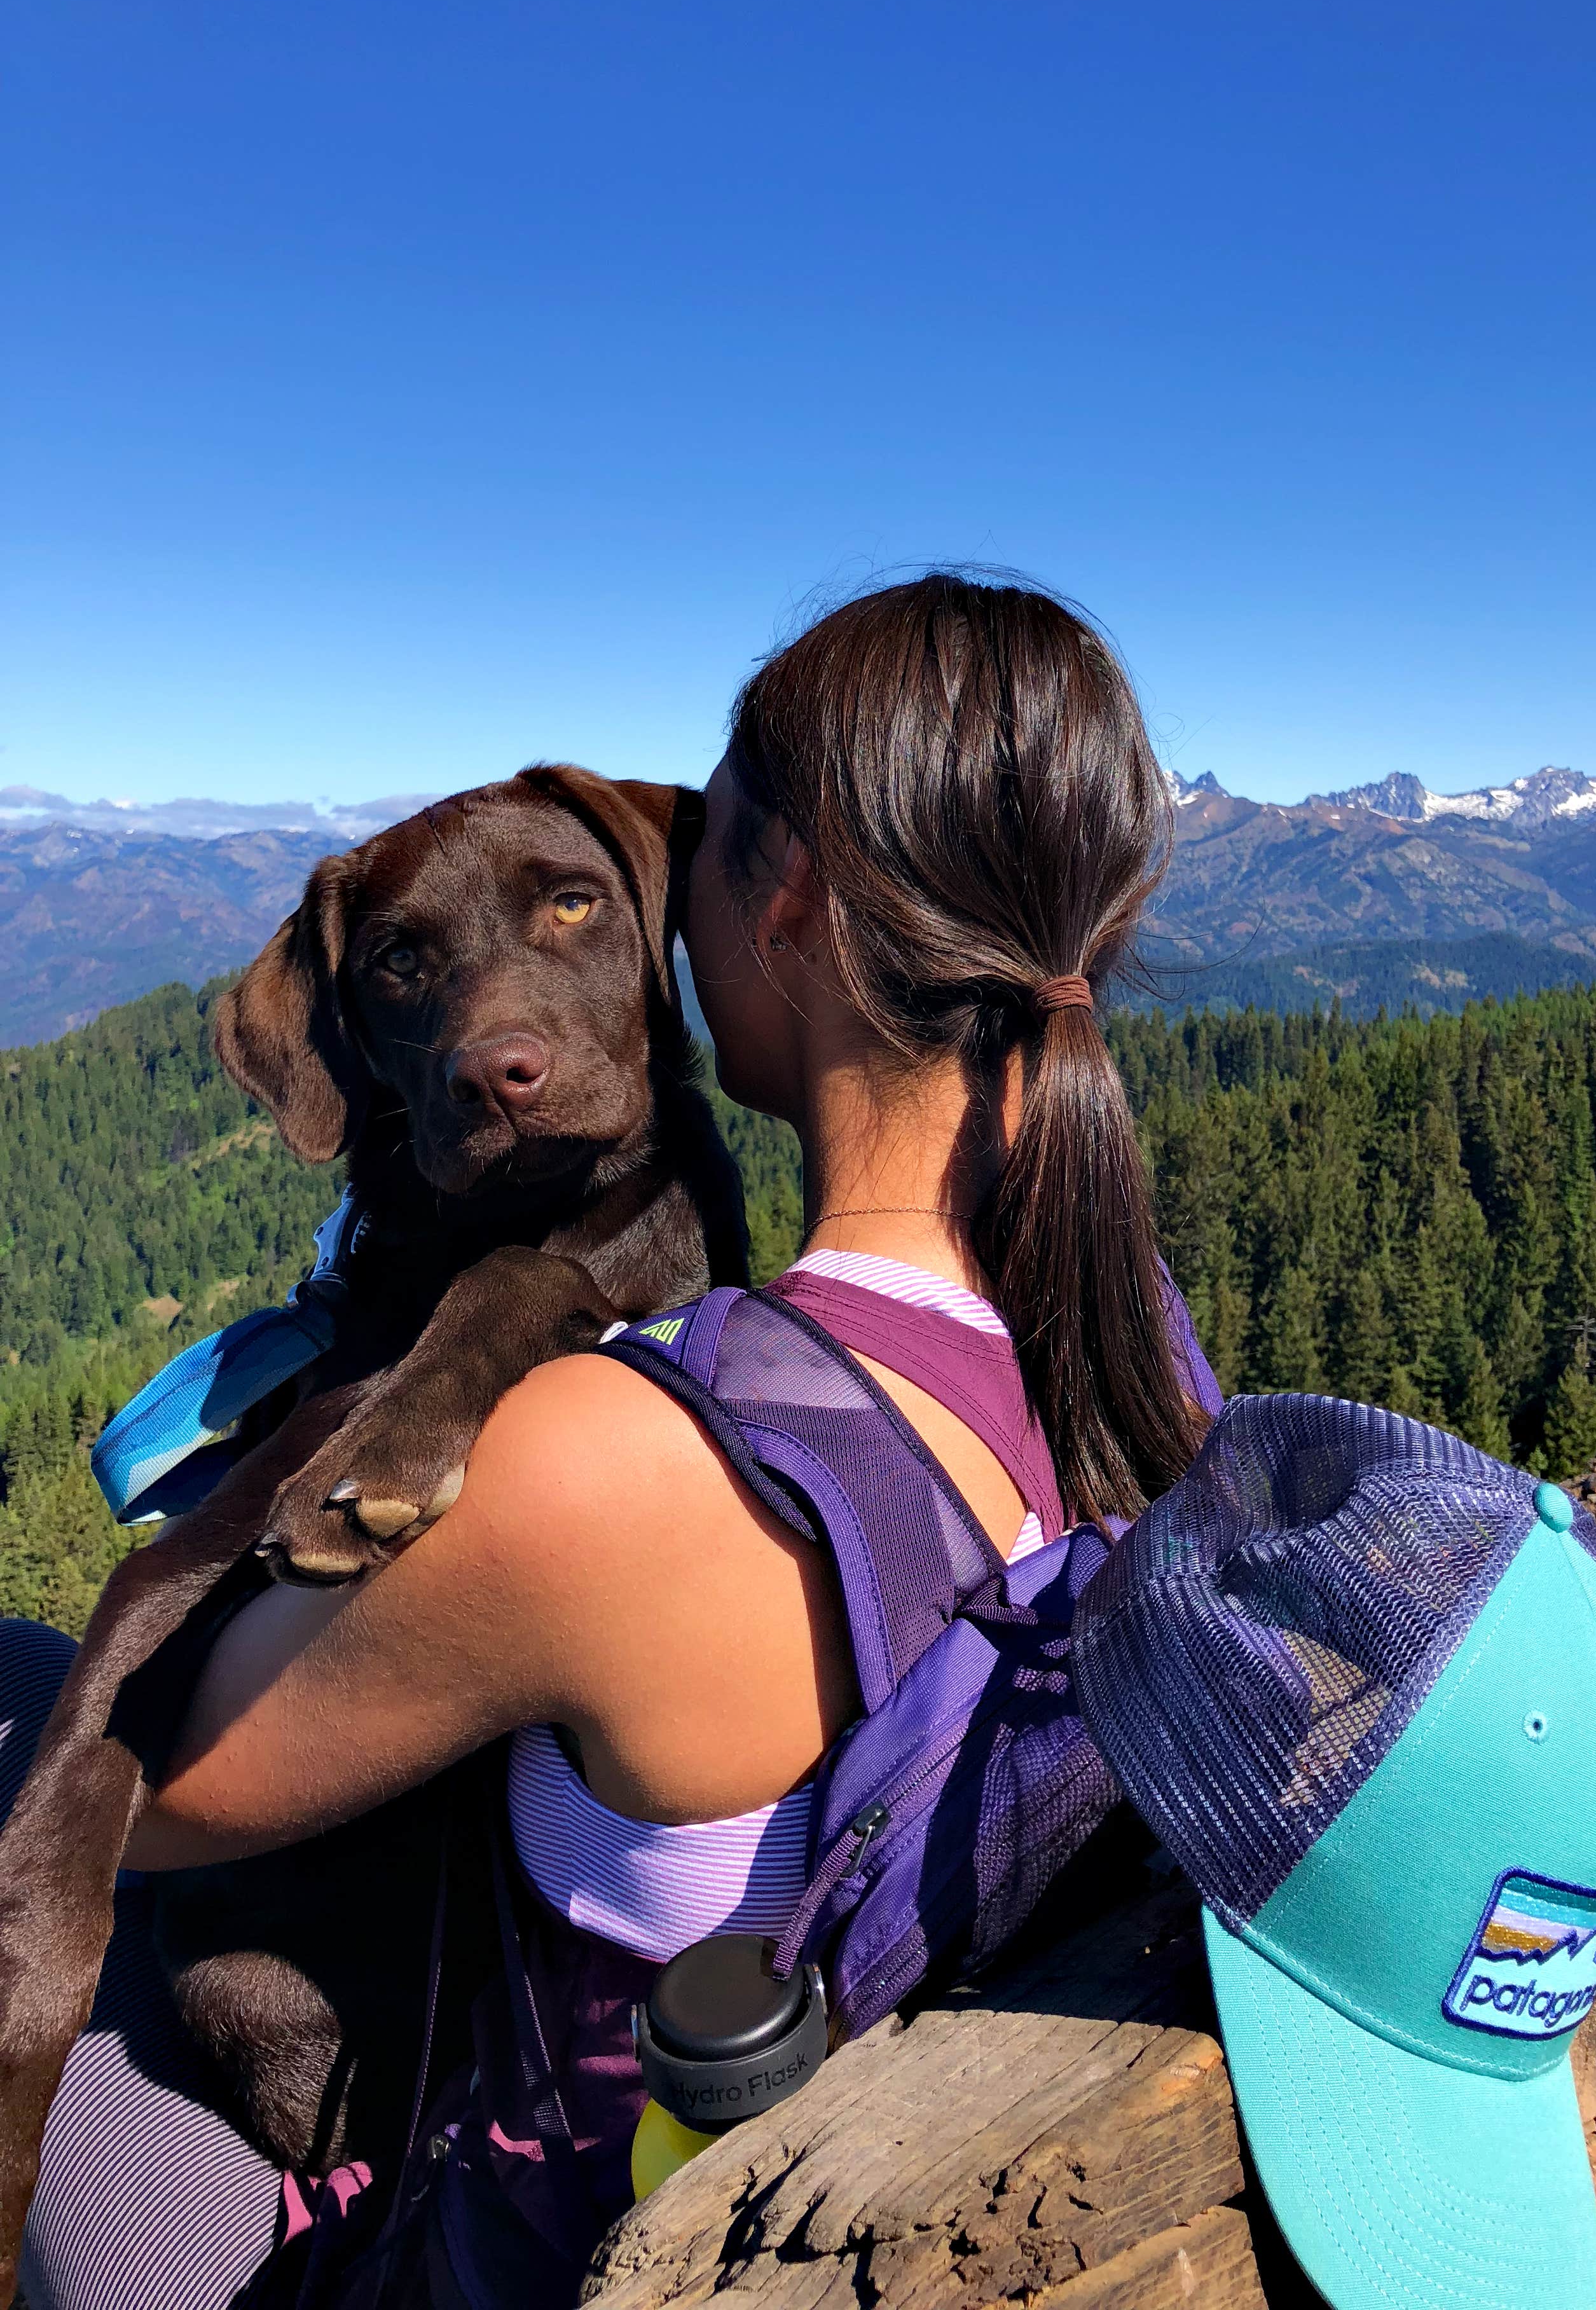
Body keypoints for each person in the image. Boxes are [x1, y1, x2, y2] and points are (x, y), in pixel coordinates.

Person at [0, 574, 1211, 2310]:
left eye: (680, 854)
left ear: (774, 892)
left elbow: (140, 1814)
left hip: (493, 2243)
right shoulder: (1118, 1327)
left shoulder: (632, 1463)